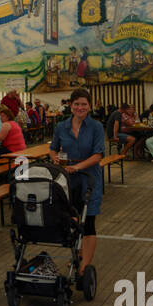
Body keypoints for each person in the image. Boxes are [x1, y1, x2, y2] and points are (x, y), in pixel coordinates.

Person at [49, 88, 105, 283]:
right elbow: (53, 148)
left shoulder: (96, 127)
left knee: (88, 222)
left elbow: (98, 155)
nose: (80, 107)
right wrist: (55, 158)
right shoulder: (61, 126)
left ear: (89, 106)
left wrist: (77, 167)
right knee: (72, 219)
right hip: (69, 179)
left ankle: (84, 265)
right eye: (77, 104)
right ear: (71, 106)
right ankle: (77, 253)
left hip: (89, 178)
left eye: (84, 104)